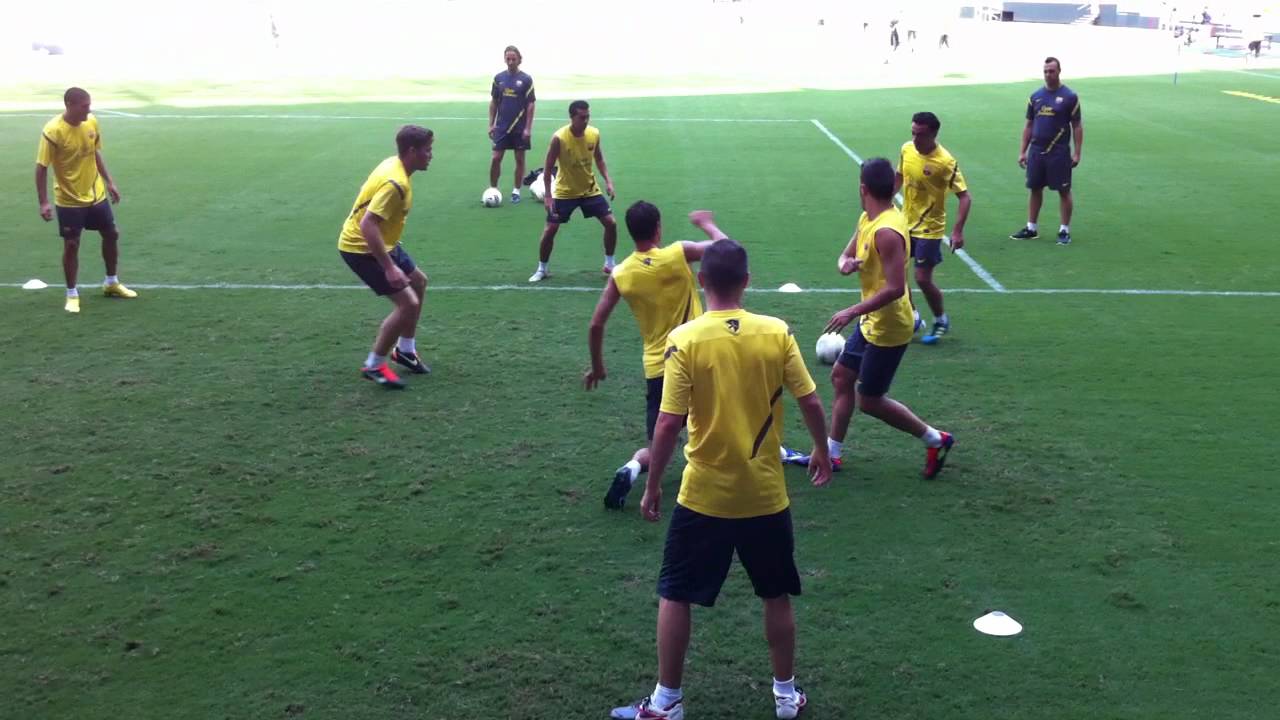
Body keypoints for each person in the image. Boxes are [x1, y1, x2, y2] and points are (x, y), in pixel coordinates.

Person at [611, 239, 832, 720]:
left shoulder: (685, 339)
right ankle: (785, 696)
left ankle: (667, 701)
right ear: (747, 282)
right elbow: (811, 401)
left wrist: (652, 486)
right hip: (766, 494)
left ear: (701, 281)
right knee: (776, 594)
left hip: (704, 496)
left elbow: (668, 423)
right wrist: (821, 449)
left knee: (675, 593)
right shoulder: (776, 332)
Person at [584, 205, 729, 510]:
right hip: (699, 356)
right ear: (658, 228)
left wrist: (597, 367)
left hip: (659, 367)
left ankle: (632, 468)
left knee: (659, 442)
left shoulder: (622, 273)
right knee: (719, 422)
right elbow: (727, 249)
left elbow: (596, 324)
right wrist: (708, 224)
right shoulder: (678, 253)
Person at [823, 158, 954, 478]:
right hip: (872, 320)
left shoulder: (888, 232)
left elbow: (896, 288)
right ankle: (832, 454)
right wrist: (846, 263)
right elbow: (845, 254)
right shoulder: (867, 218)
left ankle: (936, 439)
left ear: (863, 188)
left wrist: (852, 310)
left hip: (891, 326)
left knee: (869, 400)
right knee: (841, 377)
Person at [337, 125, 435, 389]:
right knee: (408, 304)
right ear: (412, 151)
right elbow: (368, 225)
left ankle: (405, 351)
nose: (431, 155)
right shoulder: (396, 183)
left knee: (418, 282)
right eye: (427, 150)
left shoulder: (395, 164)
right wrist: (389, 268)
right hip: (362, 248)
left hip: (384, 242)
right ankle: (374, 364)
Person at [35, 87, 136, 314]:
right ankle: (72, 294)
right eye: (85, 106)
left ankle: (111, 282)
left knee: (112, 234)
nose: (89, 109)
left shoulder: (91, 122)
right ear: (69, 105)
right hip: (69, 198)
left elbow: (95, 153)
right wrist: (43, 202)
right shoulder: (53, 131)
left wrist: (109, 182)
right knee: (72, 245)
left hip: (95, 193)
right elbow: (41, 168)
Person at [895, 111, 972, 344]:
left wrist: (957, 231)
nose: (915, 139)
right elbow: (899, 176)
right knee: (896, 274)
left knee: (922, 278)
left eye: (921, 135)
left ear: (934, 134)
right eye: (913, 133)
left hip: (930, 228)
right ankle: (914, 317)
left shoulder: (945, 162)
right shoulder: (907, 149)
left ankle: (941, 319)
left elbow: (965, 197)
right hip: (904, 223)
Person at [528, 100, 617, 282]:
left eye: (587, 117)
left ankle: (609, 264)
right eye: (581, 117)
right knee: (550, 230)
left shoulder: (594, 133)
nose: (585, 121)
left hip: (589, 190)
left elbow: (599, 159)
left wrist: (608, 181)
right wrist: (548, 196)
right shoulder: (559, 138)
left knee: (611, 223)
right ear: (572, 117)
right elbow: (547, 167)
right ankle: (542, 269)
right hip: (565, 192)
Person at [1011, 57, 1083, 246]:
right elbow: (1028, 125)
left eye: (1051, 71)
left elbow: (1077, 126)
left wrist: (1077, 153)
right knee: (1035, 188)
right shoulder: (1035, 97)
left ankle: (1064, 230)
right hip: (1036, 151)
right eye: (1045, 71)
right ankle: (1031, 228)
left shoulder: (1069, 97)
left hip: (1059, 152)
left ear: (1059, 71)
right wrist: (1022, 151)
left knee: (1064, 190)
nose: (1048, 74)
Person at [488, 45, 536, 204]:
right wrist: (491, 124)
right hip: (502, 126)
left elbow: (530, 104)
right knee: (496, 158)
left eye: (513, 59)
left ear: (519, 59)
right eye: (507, 59)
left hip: (520, 127)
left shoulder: (526, 79)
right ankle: (493, 189)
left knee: (520, 159)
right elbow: (494, 102)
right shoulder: (498, 78)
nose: (510, 62)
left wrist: (528, 128)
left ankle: (516, 191)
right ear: (504, 59)